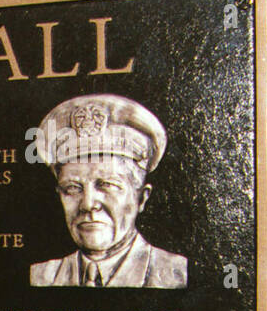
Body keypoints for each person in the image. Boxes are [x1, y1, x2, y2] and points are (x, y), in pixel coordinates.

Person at [30, 93, 186, 288]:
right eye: (72, 188)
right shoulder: (42, 276)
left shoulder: (175, 275)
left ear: (142, 198)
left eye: (107, 185)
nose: (88, 204)